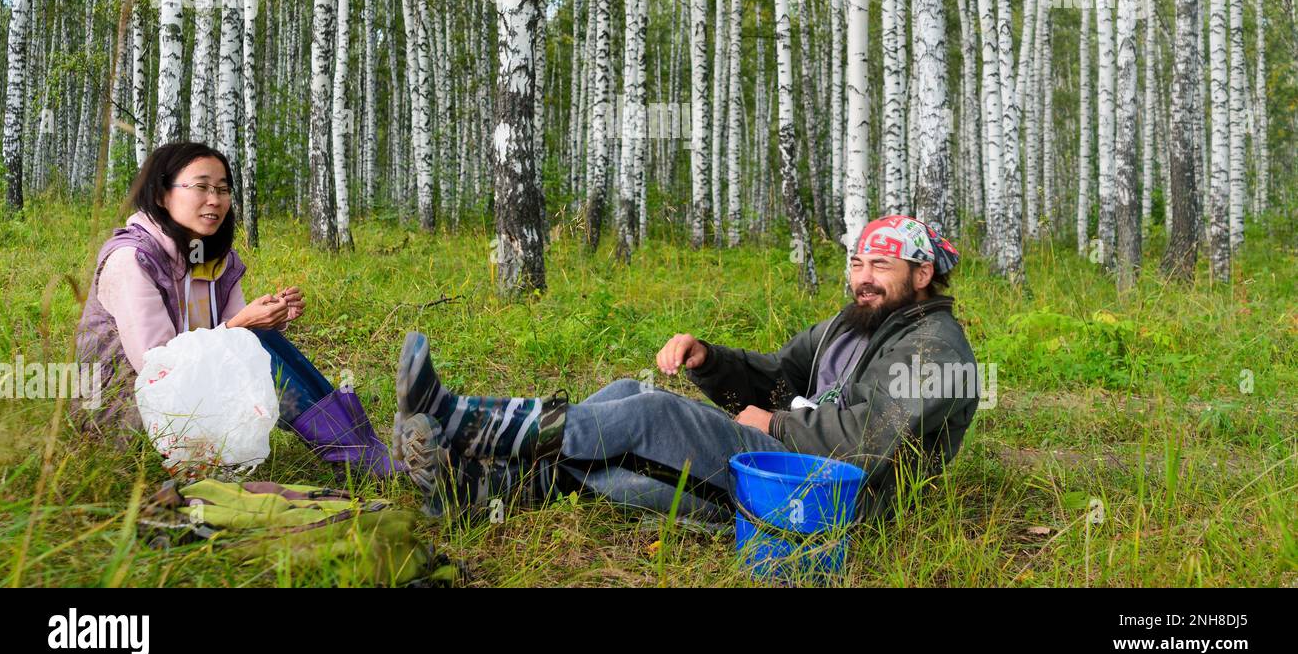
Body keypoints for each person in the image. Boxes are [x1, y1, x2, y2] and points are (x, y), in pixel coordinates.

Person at [394, 214, 980, 524]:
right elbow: (779, 378)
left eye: (880, 264)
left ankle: (463, 424)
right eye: (857, 261)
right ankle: (476, 489)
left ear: (922, 275)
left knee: (649, 416)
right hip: (785, 463)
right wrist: (711, 361)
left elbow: (875, 440)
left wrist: (775, 427)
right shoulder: (852, 324)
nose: (863, 277)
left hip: (826, 501)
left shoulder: (938, 351)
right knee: (628, 398)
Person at [74, 141, 400, 478]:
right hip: (124, 417)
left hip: (185, 401)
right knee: (249, 340)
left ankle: (363, 448)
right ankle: (360, 458)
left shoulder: (212, 258)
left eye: (223, 189)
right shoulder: (131, 259)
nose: (215, 199)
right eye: (200, 186)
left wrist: (272, 317)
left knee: (260, 340)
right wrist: (241, 326)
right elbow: (156, 365)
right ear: (161, 195)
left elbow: (231, 333)